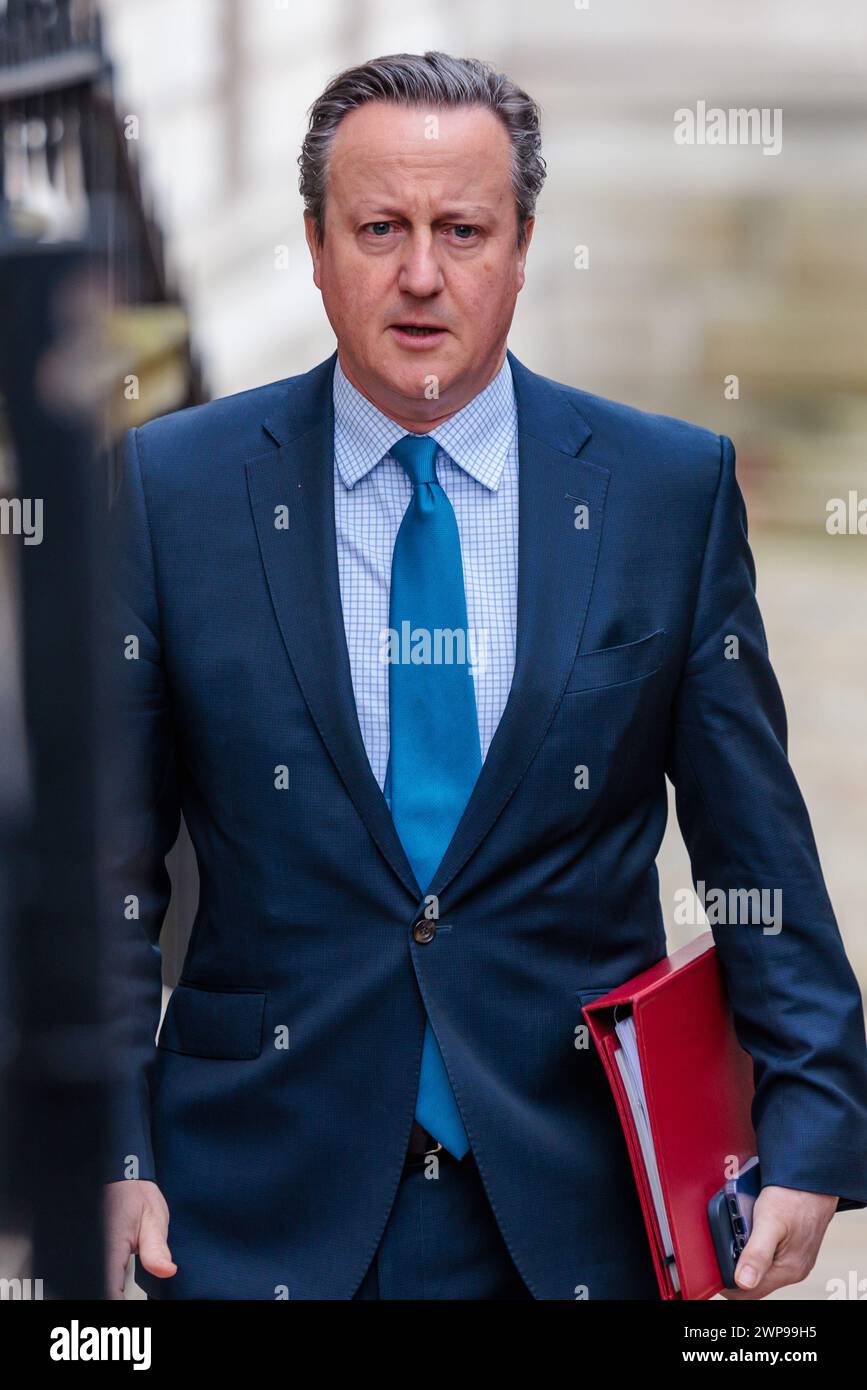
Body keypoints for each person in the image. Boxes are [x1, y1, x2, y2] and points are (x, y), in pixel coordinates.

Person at [103, 51, 867, 1301]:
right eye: (379, 229)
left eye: (463, 230)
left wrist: (813, 1122)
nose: (420, 274)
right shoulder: (172, 491)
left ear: (521, 248)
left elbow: (757, 857)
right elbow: (101, 873)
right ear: (312, 244)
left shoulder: (665, 494)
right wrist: (107, 1142)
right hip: (248, 1202)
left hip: (577, 1203)